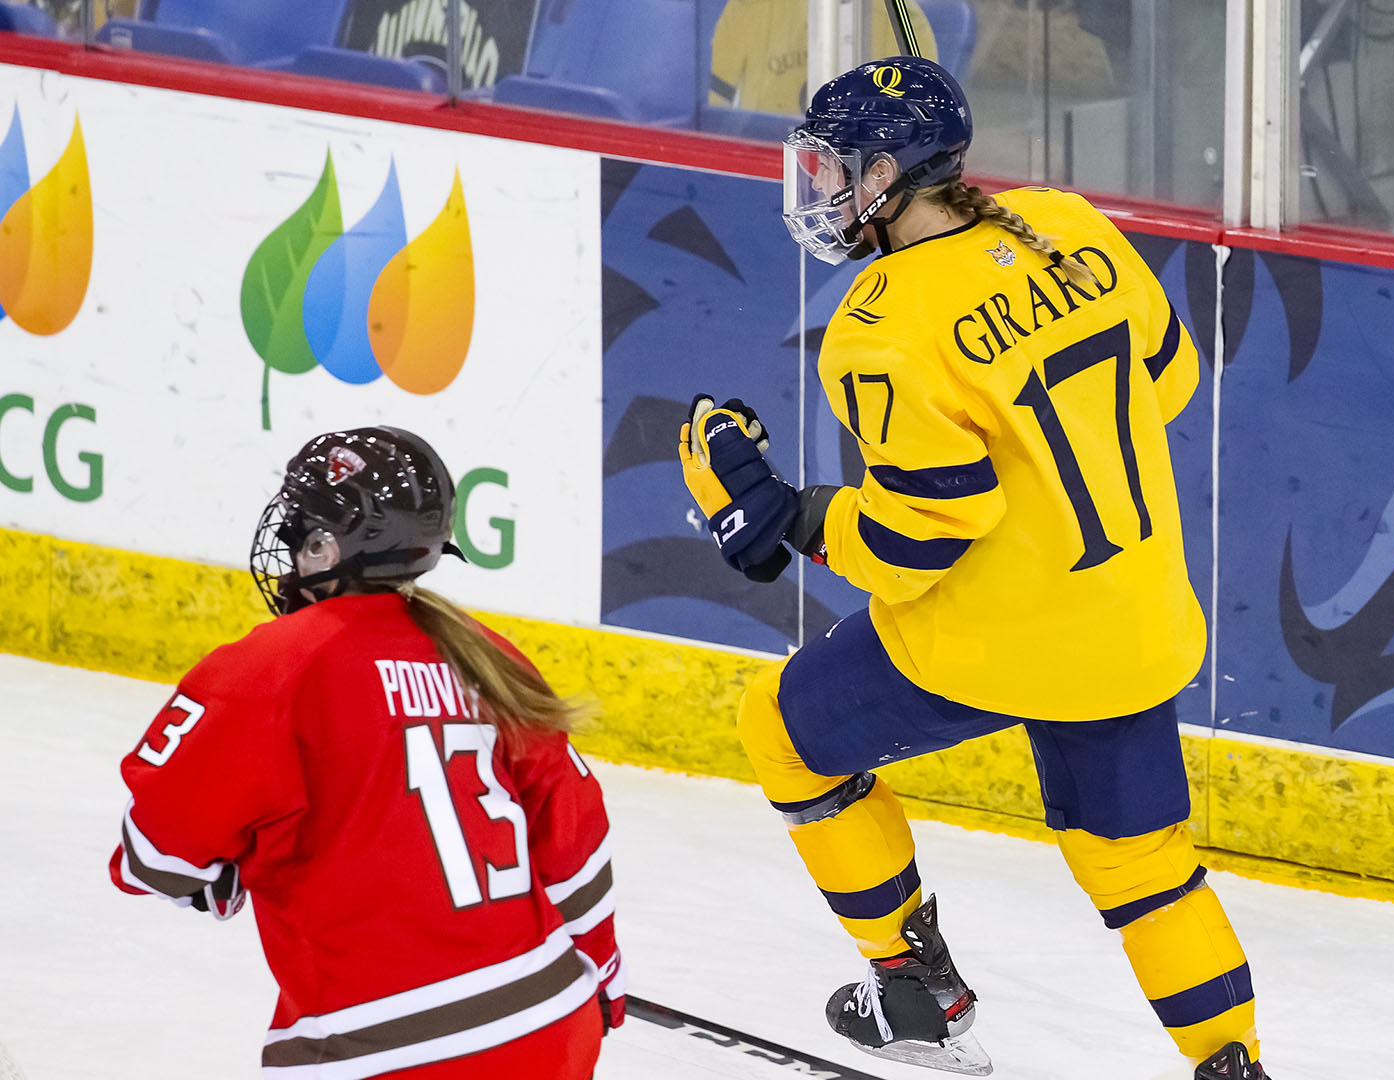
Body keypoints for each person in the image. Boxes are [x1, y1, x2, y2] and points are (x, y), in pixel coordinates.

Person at [678, 56, 1263, 1080]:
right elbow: (1167, 381)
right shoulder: (1067, 226)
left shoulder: (878, 327)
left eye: (836, 169)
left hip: (996, 644)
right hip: (1131, 626)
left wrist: (791, 519)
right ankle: (1235, 1063)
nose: (822, 190)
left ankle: (912, 988)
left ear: (886, 175)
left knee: (782, 732)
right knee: (1145, 873)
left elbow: (916, 547)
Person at [109, 426, 624, 1079]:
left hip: (382, 1050)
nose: (290, 543)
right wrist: (603, 968)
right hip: (553, 1024)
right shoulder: (487, 656)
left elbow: (154, 860)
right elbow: (575, 841)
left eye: (301, 530)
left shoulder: (267, 670)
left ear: (328, 547)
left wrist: (230, 869)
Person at [707, 0, 937, 114]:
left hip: (864, 178)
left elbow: (922, 139)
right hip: (769, 163)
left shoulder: (904, 24)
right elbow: (710, 116)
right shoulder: (751, 7)